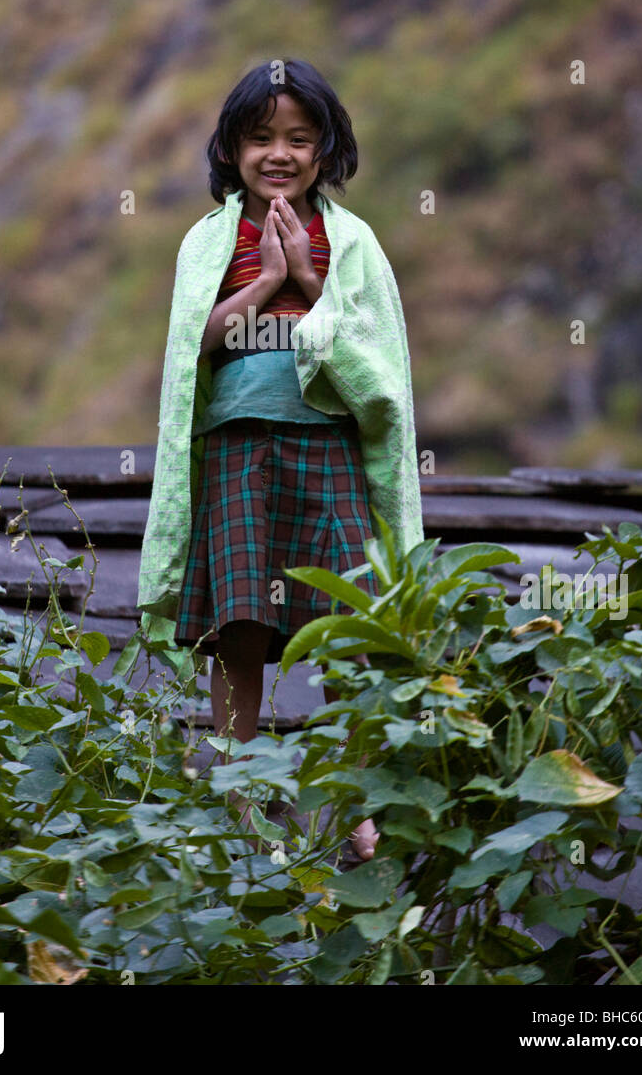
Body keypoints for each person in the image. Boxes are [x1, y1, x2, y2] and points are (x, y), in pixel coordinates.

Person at [136, 58, 424, 861]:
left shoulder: (351, 240)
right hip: (235, 448)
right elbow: (196, 345)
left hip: (322, 444)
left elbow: (374, 366)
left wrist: (309, 279)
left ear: (326, 151)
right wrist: (265, 283)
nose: (279, 154)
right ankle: (237, 793)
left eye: (299, 139)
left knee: (344, 623)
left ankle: (357, 807)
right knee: (241, 625)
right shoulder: (210, 240)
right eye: (259, 137)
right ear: (229, 149)